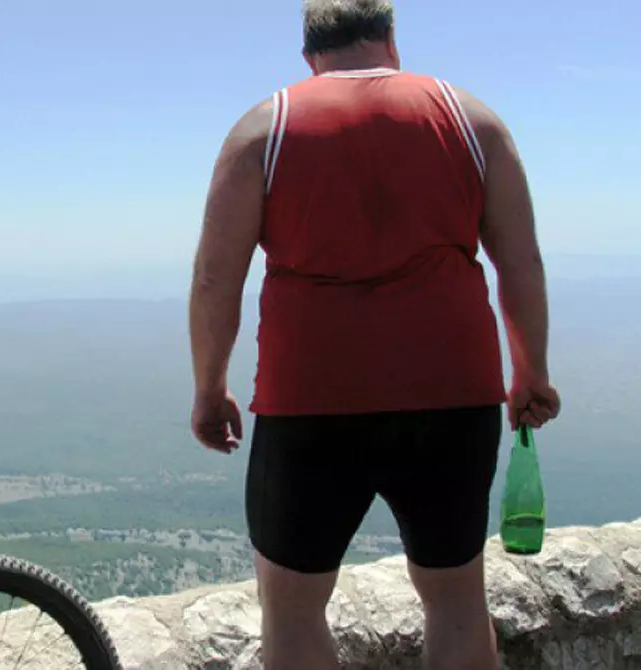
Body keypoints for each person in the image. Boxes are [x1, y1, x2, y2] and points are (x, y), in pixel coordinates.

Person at [187, 1, 562, 668]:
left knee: (294, 609)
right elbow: (521, 261)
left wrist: (209, 388)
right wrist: (530, 372)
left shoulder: (261, 130)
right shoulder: (473, 121)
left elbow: (218, 280)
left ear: (309, 56)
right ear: (391, 39)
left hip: (310, 401)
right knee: (454, 600)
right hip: (453, 393)